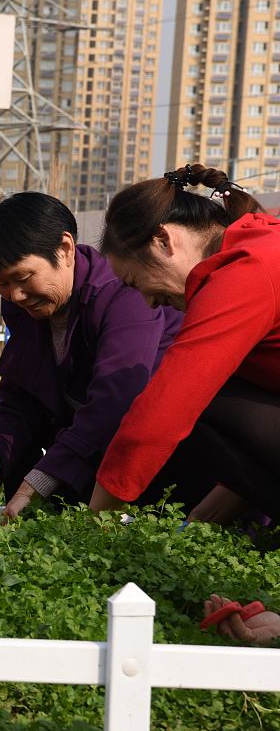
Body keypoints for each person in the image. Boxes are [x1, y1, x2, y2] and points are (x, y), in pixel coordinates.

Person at [0, 193, 183, 518]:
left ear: (65, 249)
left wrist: (39, 483)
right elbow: (20, 393)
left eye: (23, 277)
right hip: (84, 453)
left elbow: (114, 404)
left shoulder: (122, 291)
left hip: (159, 464)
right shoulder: (24, 306)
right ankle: (24, 515)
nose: (16, 295)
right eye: (1, 283)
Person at [89, 163, 280, 523]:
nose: (146, 301)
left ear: (163, 241)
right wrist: (201, 519)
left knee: (191, 398)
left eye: (134, 280)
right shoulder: (259, 242)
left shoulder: (243, 272)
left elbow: (163, 411)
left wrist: (97, 521)